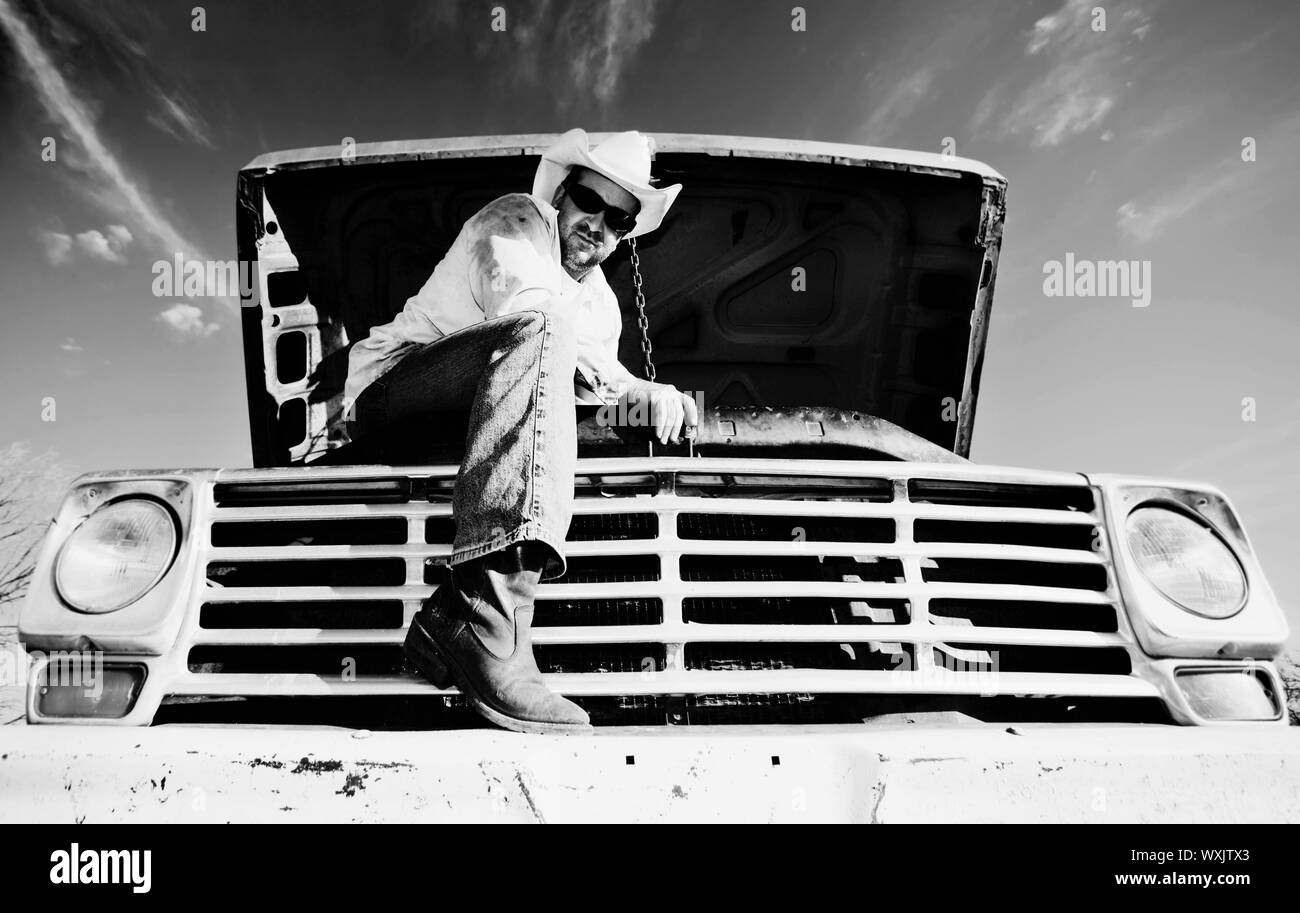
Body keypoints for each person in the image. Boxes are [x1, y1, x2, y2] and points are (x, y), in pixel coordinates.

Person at [343, 129, 697, 733]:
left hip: (478, 405)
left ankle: (464, 624)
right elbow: (529, 316)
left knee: (556, 350)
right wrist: (617, 386)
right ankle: (483, 612)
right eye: (590, 203)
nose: (599, 226)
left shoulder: (601, 302)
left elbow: (601, 376)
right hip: (394, 390)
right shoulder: (511, 220)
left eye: (619, 220)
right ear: (561, 193)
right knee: (542, 330)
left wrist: (650, 390)